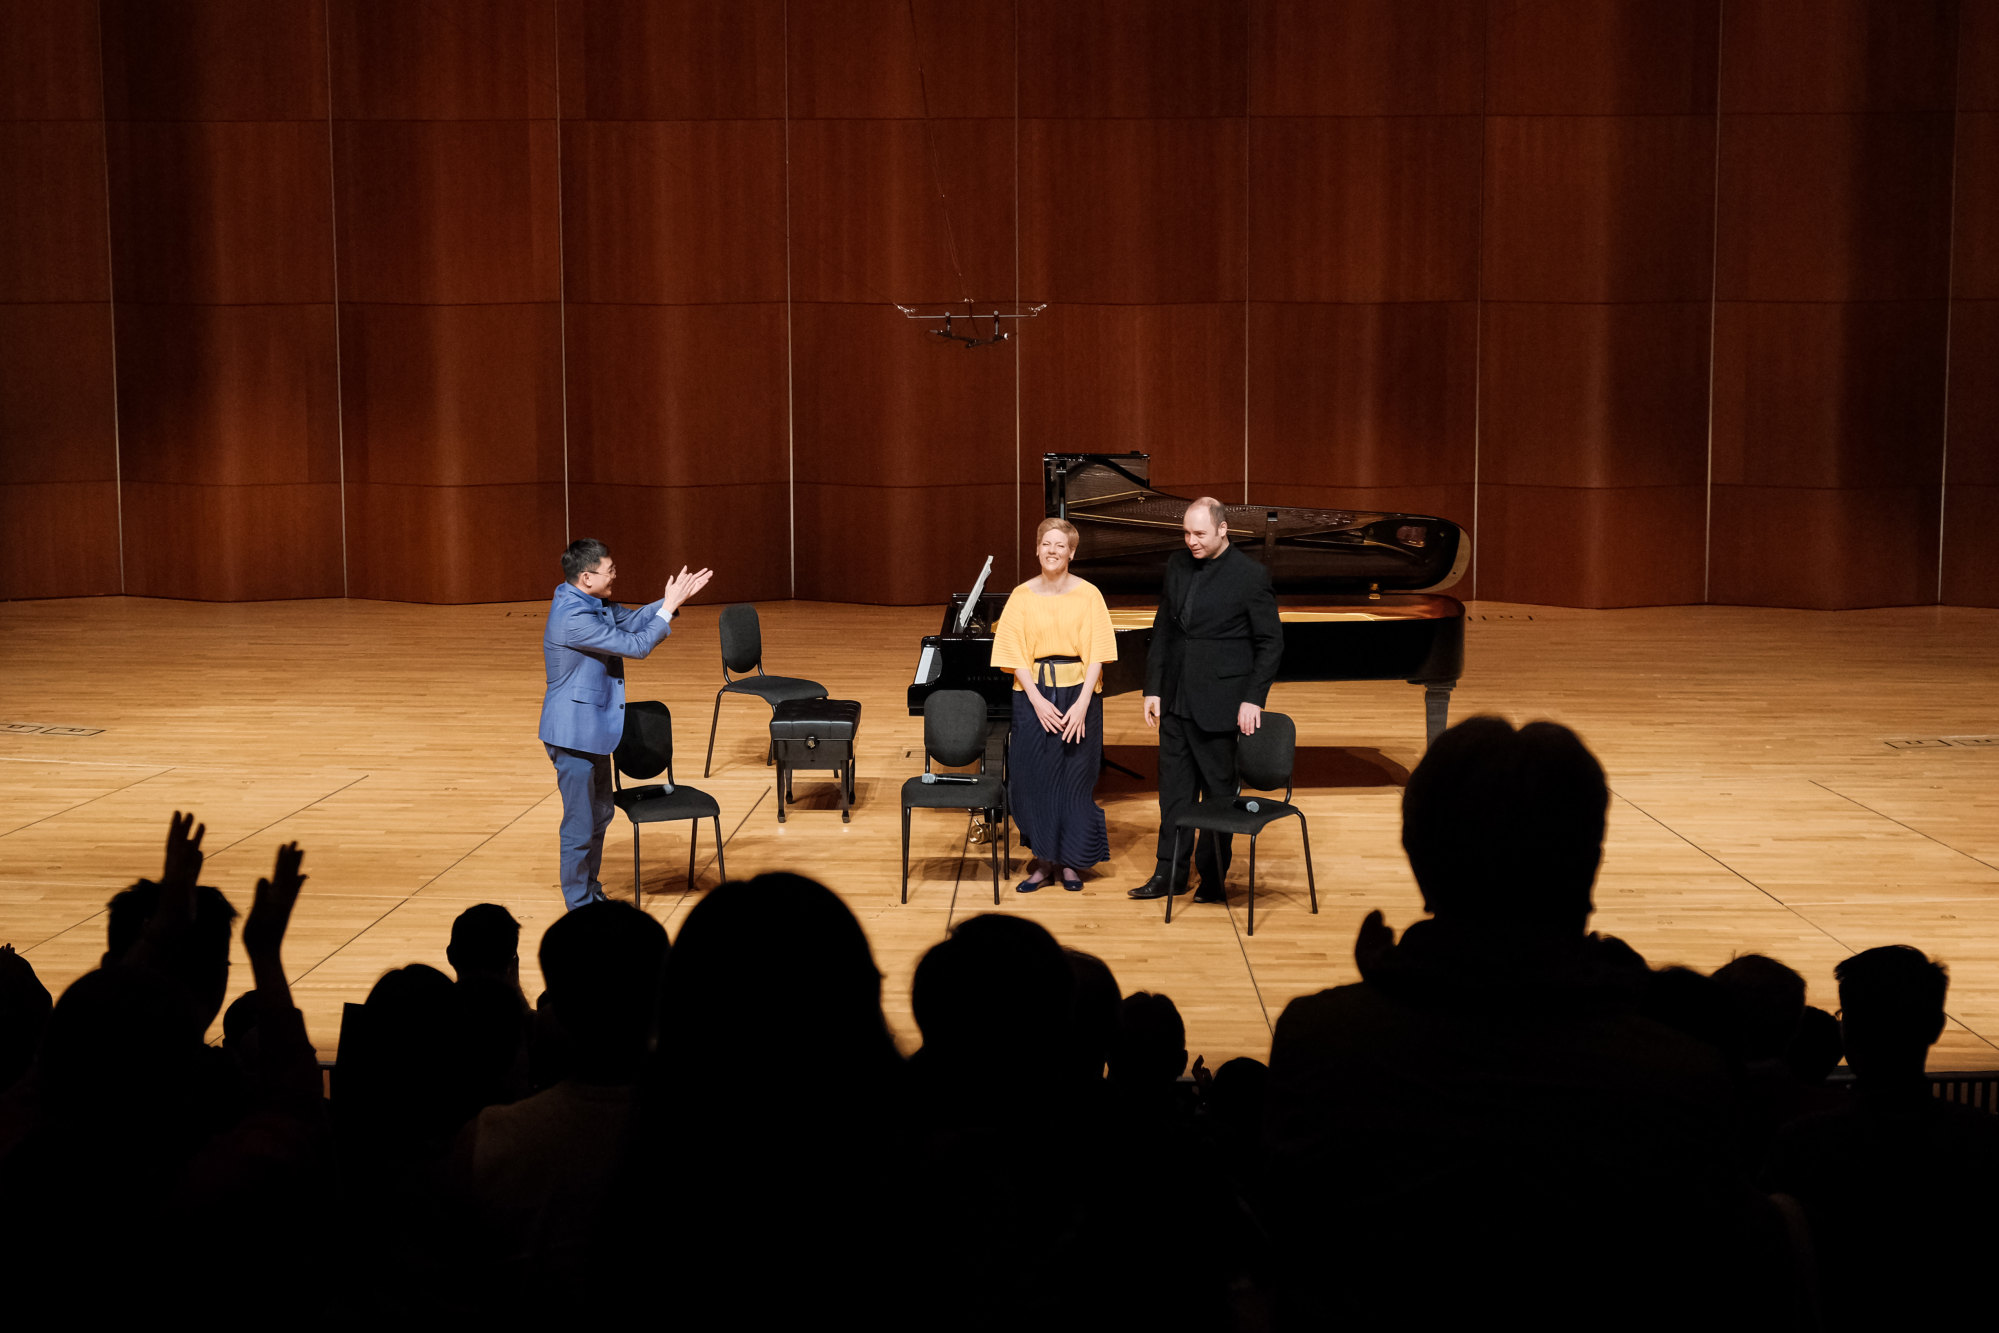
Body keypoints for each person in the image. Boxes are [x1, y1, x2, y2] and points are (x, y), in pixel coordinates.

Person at [539, 539, 710, 911]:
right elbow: (635, 645)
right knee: (580, 824)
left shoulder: (588, 601)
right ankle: (580, 906)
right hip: (572, 733)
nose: (615, 575)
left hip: (592, 730)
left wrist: (671, 603)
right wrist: (665, 609)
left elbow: (632, 620)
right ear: (586, 577)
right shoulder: (573, 616)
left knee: (600, 813)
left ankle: (590, 890)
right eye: (609, 570)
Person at [1128, 498, 1282, 902]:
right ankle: (1169, 874)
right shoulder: (1178, 565)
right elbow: (1164, 629)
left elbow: (1271, 643)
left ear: (1222, 530)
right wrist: (1153, 687)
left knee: (1218, 798)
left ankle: (1213, 880)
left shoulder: (1251, 576)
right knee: (1173, 794)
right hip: (1176, 700)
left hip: (1221, 702)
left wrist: (1254, 699)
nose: (1191, 541)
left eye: (1199, 534)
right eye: (1186, 533)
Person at [988, 517, 1118, 891]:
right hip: (1033, 698)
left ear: (1072, 553)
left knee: (1074, 780)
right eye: (1047, 543)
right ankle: (1044, 862)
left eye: (1061, 545)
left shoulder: (1090, 594)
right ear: (1037, 549)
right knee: (1033, 781)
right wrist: (1037, 701)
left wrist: (1081, 706)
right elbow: (1012, 655)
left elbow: (1098, 653)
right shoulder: (1021, 595)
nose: (1053, 550)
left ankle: (1072, 863)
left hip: (1080, 697)